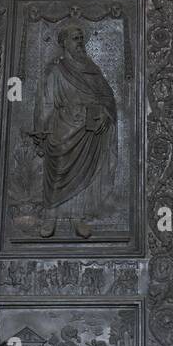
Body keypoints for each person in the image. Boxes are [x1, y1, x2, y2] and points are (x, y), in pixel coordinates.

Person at [36, 22, 117, 238]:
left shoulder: (93, 70)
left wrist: (105, 115)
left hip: (89, 130)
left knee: (84, 175)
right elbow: (46, 103)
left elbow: (108, 98)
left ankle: (78, 218)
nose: (79, 41)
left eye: (81, 37)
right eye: (74, 37)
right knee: (58, 172)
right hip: (63, 129)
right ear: (64, 43)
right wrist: (42, 131)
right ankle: (50, 217)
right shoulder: (56, 71)